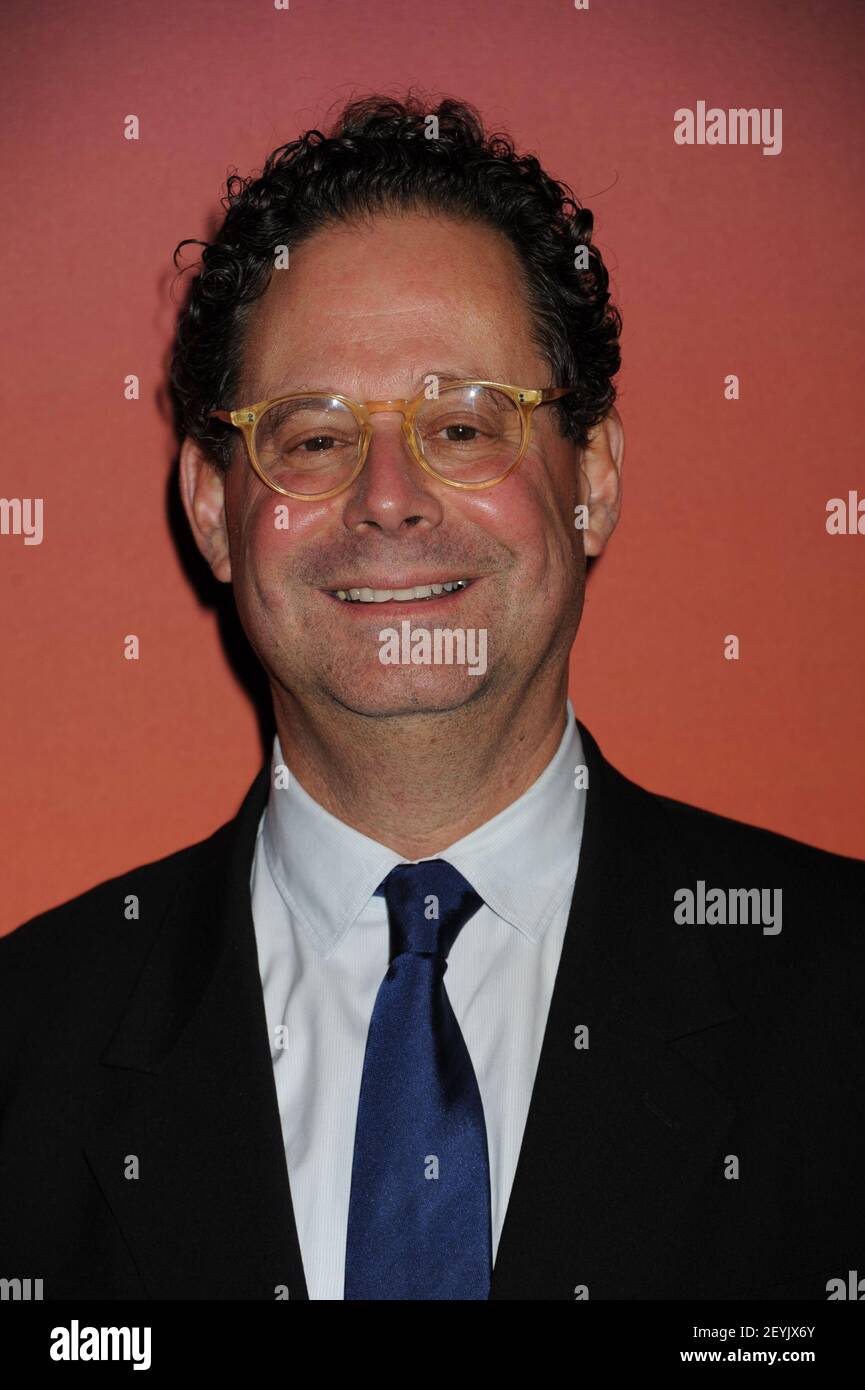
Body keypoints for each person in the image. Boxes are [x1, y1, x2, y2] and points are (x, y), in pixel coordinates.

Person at [2, 94, 863, 1303]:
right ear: (211, 507)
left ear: (594, 478)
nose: (389, 497)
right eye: (310, 436)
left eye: (465, 424)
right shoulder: (23, 1048)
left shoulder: (837, 1002)